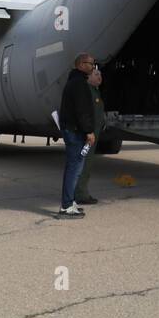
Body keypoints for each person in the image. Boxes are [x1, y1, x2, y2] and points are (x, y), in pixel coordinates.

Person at [56, 53, 97, 219]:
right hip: (75, 132)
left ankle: (70, 201)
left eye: (94, 64)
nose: (93, 67)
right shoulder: (79, 84)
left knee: (74, 168)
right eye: (90, 64)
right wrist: (89, 131)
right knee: (74, 169)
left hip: (72, 130)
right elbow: (82, 111)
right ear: (80, 64)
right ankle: (66, 206)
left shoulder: (74, 81)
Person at [74, 65, 107, 205]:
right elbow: (84, 114)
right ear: (88, 77)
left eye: (100, 74)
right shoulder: (88, 92)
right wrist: (88, 132)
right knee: (84, 163)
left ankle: (80, 192)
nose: (99, 76)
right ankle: (80, 194)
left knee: (87, 163)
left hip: (93, 135)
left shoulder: (95, 91)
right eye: (96, 74)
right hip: (88, 136)